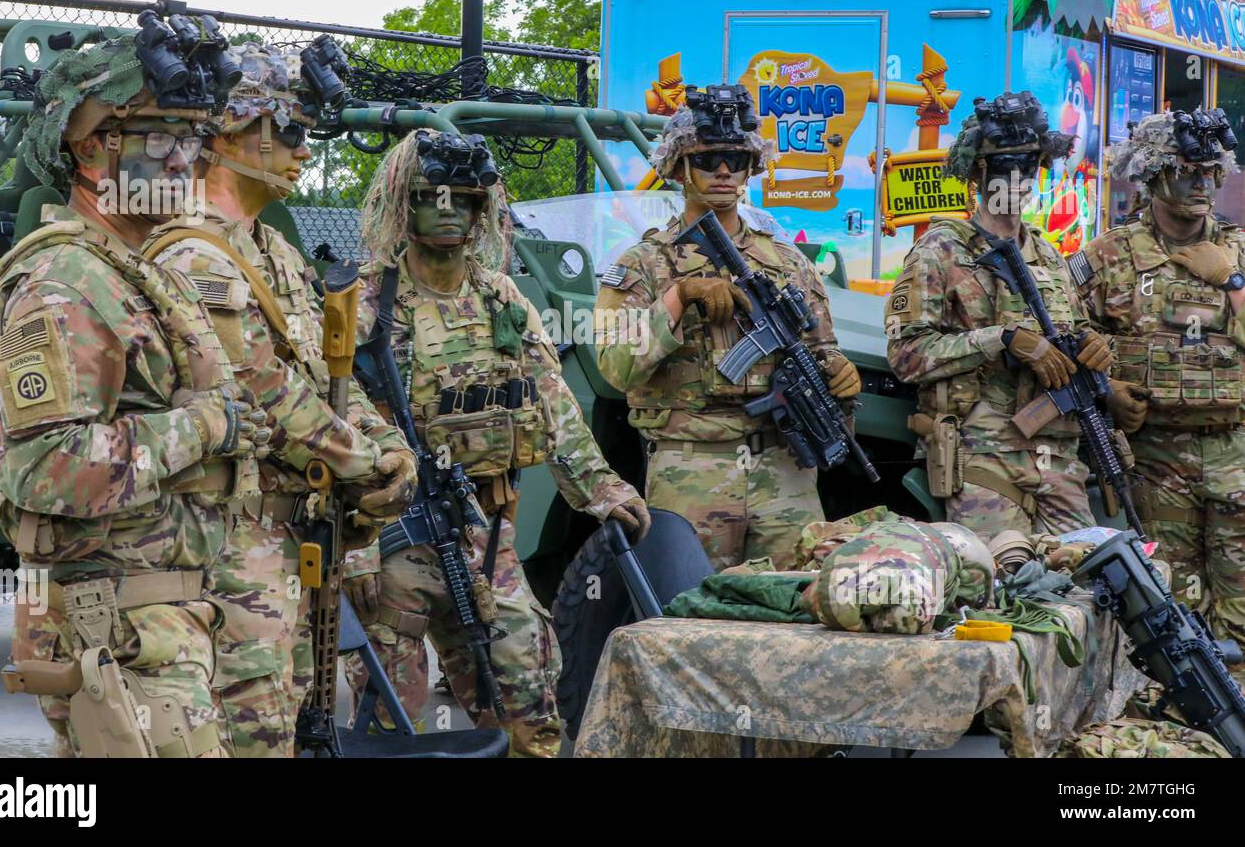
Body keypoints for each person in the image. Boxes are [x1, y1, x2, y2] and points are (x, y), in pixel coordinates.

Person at [0, 24, 267, 757]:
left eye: (193, 138)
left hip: (164, 619)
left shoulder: (137, 269)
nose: (185, 159)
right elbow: (41, 466)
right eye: (161, 135)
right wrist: (203, 429)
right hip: (121, 631)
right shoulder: (65, 282)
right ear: (93, 147)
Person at [143, 41, 416, 755]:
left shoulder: (275, 251)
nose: (303, 149)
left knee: (292, 724)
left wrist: (387, 446)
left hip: (288, 538)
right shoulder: (193, 254)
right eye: (289, 130)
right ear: (232, 132)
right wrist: (367, 459)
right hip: (228, 541)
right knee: (249, 731)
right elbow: (266, 390)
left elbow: (329, 373)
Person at [342, 129, 648, 757]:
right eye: (432, 196)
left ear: (483, 211)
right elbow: (328, 421)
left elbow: (550, 402)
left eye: (465, 198)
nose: (448, 208)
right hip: (391, 539)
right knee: (390, 719)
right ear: (406, 204)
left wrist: (602, 489)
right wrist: (353, 548)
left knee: (526, 697)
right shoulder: (365, 301)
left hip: (485, 530)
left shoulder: (499, 297)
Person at [595, 84, 860, 570]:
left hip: (782, 467)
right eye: (709, 158)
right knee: (690, 614)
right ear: (677, 167)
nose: (723, 171)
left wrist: (839, 371)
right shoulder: (645, 264)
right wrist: (680, 296)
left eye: (736, 160)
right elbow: (616, 367)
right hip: (692, 467)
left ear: (751, 169)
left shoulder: (785, 261)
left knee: (796, 612)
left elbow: (821, 347)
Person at [886, 91, 1112, 541]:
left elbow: (1078, 326)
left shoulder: (1047, 254)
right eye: (1006, 167)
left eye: (1028, 167)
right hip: (984, 457)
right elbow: (906, 353)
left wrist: (1094, 346)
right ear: (979, 172)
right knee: (1000, 583)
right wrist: (1000, 339)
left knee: (1082, 578)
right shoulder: (941, 250)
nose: (1019, 179)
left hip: (1057, 457)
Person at [1073, 108, 1245, 673]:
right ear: (1152, 175)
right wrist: (1107, 390)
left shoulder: (1238, 252)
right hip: (1154, 460)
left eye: (1210, 172)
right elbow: (1067, 343)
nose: (1201, 184)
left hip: (1235, 453)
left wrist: (1232, 282)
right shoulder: (1107, 256)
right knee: (1172, 605)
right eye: (1187, 171)